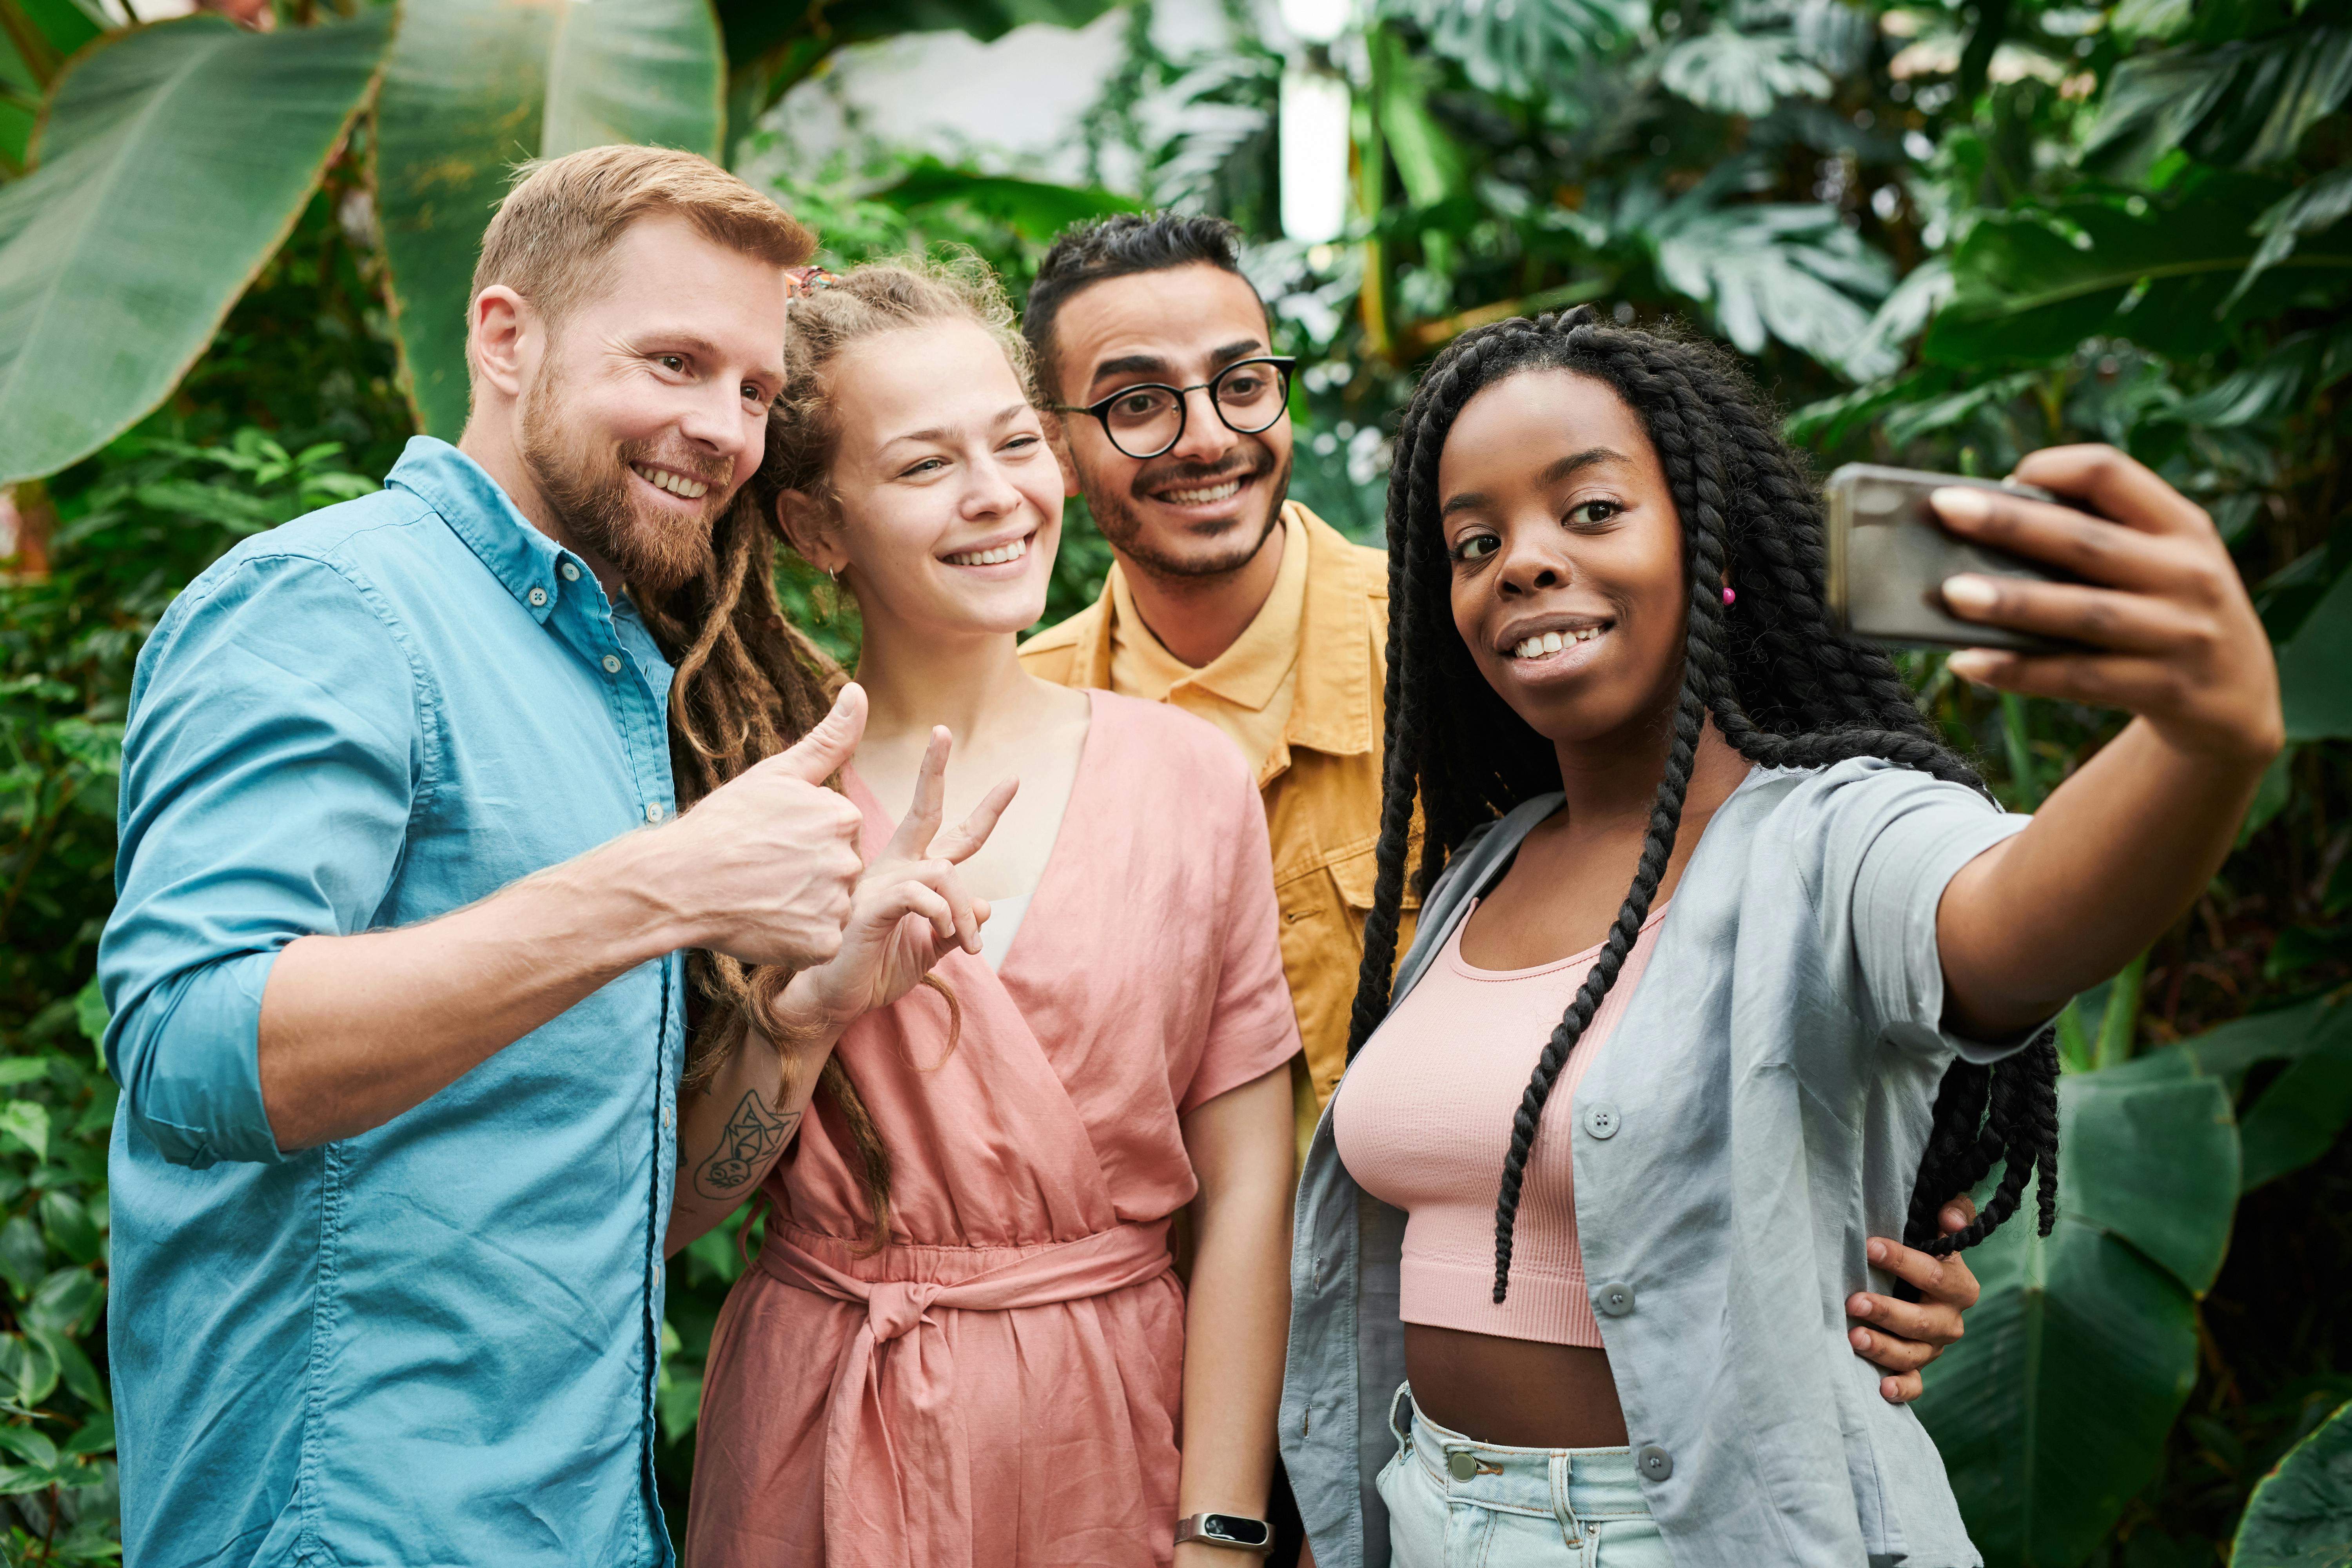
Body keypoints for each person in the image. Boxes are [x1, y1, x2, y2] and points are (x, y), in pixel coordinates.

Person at [1281, 309, 2282, 1566]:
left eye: (1591, 511)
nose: (1521, 564)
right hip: (1428, 1508)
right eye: (1475, 542)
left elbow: (2004, 924)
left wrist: (2204, 740)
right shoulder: (1486, 866)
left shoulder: (1832, 834)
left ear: (1717, 552)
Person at [1014, 211, 1980, 1419]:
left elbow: (1776, 892)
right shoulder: (1017, 725)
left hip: (1440, 1391)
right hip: (1126, 1395)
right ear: (1051, 445)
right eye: (1138, 403)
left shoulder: (1479, 658)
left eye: (1243, 383)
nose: (1209, 436)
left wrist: (1897, 1217)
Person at [97, 147, 873, 1566]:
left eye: (755, 390)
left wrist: (809, 1016)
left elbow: (613, 1210)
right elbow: (194, 1048)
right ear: (505, 338)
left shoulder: (611, 670)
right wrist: (665, 887)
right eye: (675, 362)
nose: (724, 429)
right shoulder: (332, 607)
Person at [666, 258, 1301, 1568]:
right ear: (815, 525)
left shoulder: (1189, 779)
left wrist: (1224, 1529)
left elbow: (1247, 1187)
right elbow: (675, 1212)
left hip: (1106, 1429)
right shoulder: (756, 792)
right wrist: (811, 1014)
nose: (993, 495)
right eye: (921, 467)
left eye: (1016, 442)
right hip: (824, 1424)